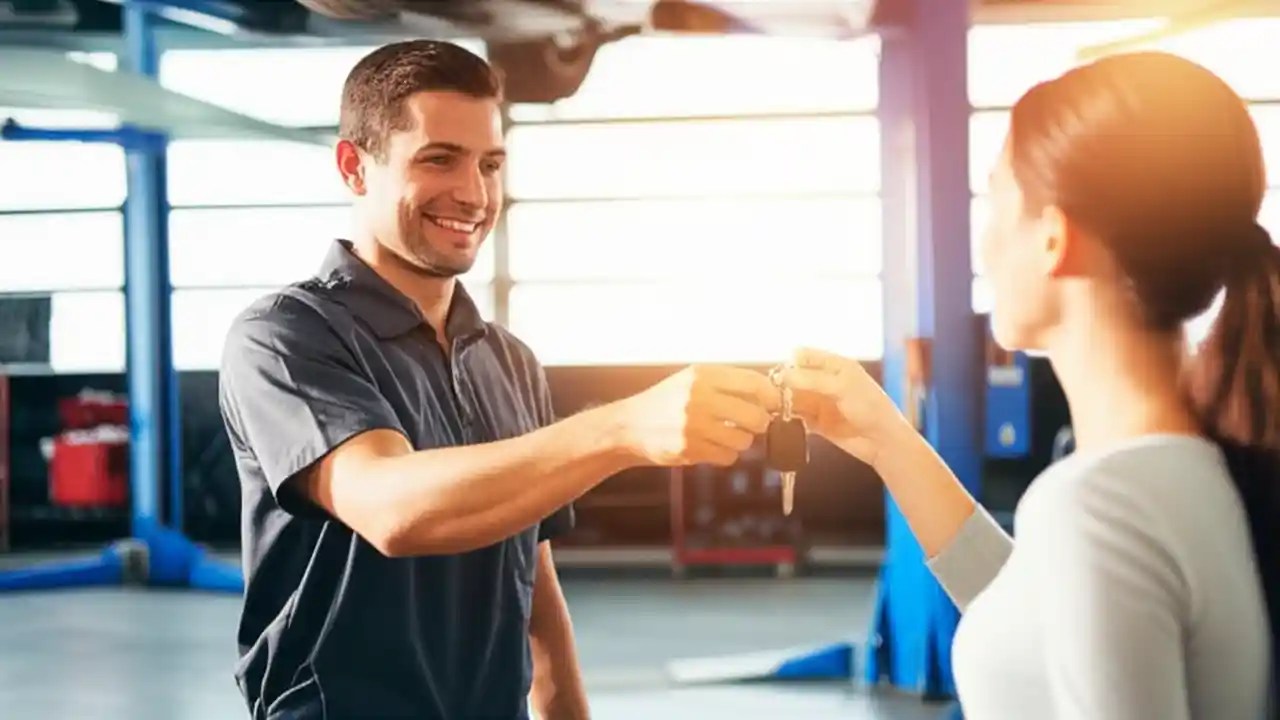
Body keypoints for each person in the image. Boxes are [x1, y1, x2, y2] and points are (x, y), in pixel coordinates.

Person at [217, 40, 780, 720]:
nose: (474, 194)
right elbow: (394, 511)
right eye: (438, 159)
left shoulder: (508, 360)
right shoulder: (284, 337)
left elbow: (533, 593)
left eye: (489, 164)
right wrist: (622, 428)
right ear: (354, 167)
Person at [782, 51, 1277, 719]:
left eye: (996, 202)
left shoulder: (1098, 505)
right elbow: (1035, 623)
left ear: (1053, 238)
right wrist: (886, 439)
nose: (985, 243)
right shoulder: (1187, 473)